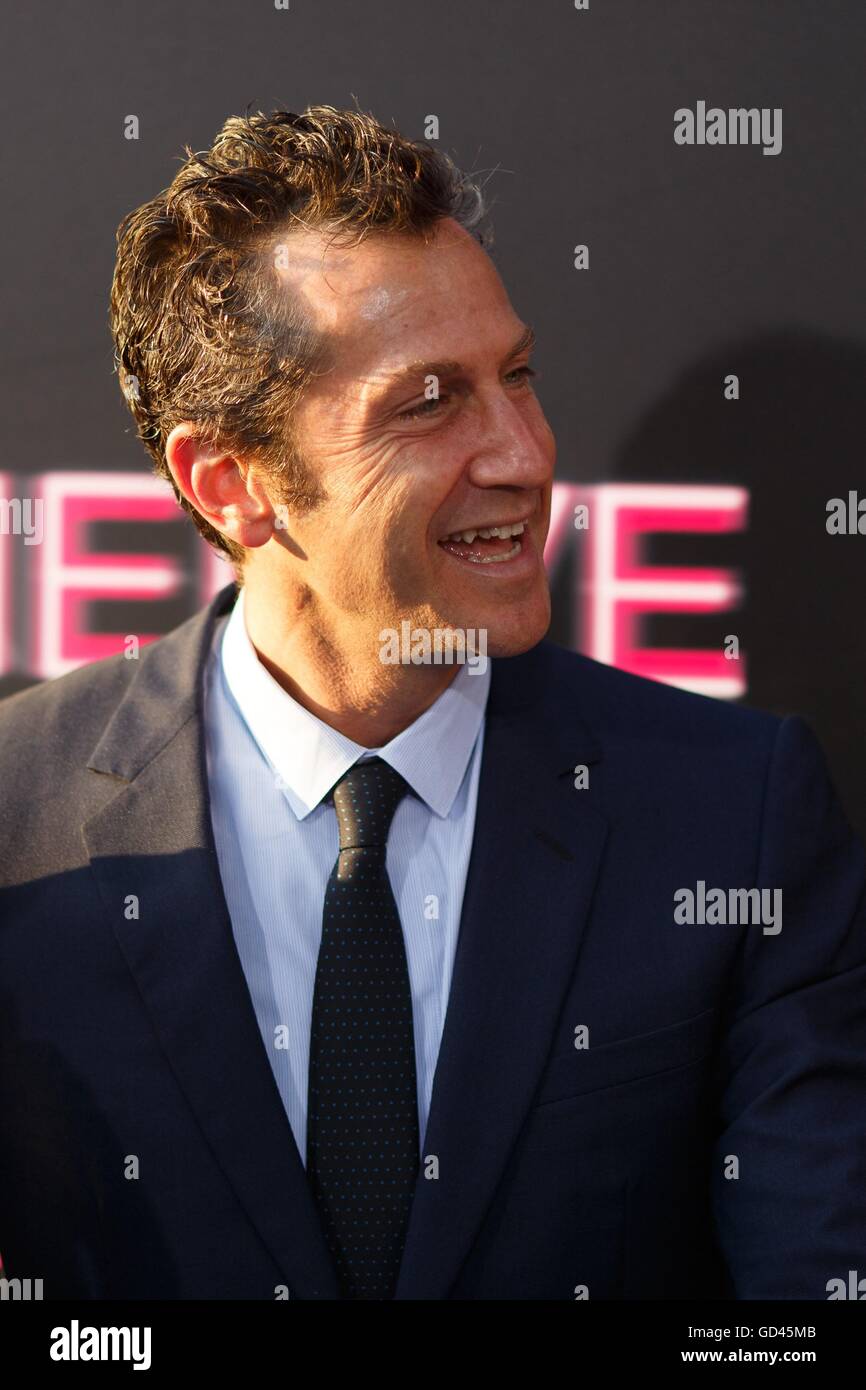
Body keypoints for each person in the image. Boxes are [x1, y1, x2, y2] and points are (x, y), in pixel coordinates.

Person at [1, 105, 864, 1301]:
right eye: (427, 402)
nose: (521, 451)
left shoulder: (732, 811)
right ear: (233, 483)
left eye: (516, 376)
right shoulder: (15, 817)